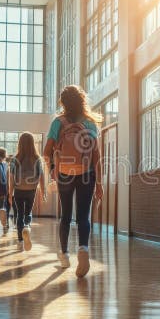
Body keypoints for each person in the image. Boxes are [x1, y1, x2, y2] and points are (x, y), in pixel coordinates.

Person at [44, 85, 103, 278]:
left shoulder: (58, 122)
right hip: (87, 172)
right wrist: (100, 184)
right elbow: (96, 155)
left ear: (63, 102)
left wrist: (53, 170)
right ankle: (84, 249)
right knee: (84, 215)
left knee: (66, 215)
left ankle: (64, 255)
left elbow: (46, 151)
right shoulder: (90, 122)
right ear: (82, 100)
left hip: (64, 172)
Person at [9, 132, 47, 251]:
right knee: (28, 212)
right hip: (31, 189)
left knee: (19, 214)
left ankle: (20, 241)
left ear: (19, 143)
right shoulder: (37, 158)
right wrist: (44, 191)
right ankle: (27, 226)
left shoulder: (15, 159)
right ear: (32, 143)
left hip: (18, 189)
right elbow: (41, 176)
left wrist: (10, 193)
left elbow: (11, 177)